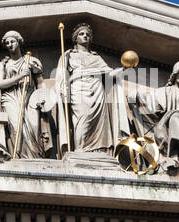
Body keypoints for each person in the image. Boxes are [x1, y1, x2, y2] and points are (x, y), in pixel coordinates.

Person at [53, 22, 130, 154]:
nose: (85, 36)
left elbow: (109, 73)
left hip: (97, 89)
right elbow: (61, 75)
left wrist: (125, 68)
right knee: (82, 118)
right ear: (75, 38)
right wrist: (61, 87)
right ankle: (80, 149)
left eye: (88, 35)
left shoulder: (96, 57)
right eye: (81, 34)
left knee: (98, 123)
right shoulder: (68, 55)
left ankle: (98, 151)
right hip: (78, 88)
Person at [0, 30, 45, 158]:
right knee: (17, 127)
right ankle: (19, 156)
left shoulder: (31, 60)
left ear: (19, 42)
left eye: (13, 41)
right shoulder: (3, 65)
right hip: (10, 98)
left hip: (29, 97)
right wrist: (20, 76)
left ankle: (34, 157)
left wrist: (42, 97)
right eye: (7, 43)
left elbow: (40, 82)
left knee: (34, 126)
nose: (10, 44)